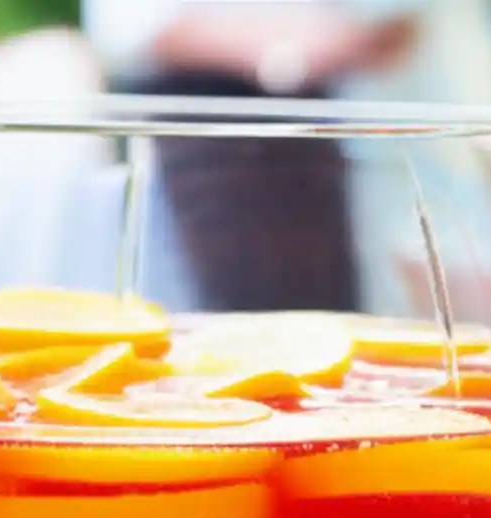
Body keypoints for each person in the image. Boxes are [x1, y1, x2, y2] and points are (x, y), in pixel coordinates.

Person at [83, 1, 429, 311]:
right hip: (198, 131)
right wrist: (290, 46)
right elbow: (132, 26)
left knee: (320, 326)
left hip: (316, 130)